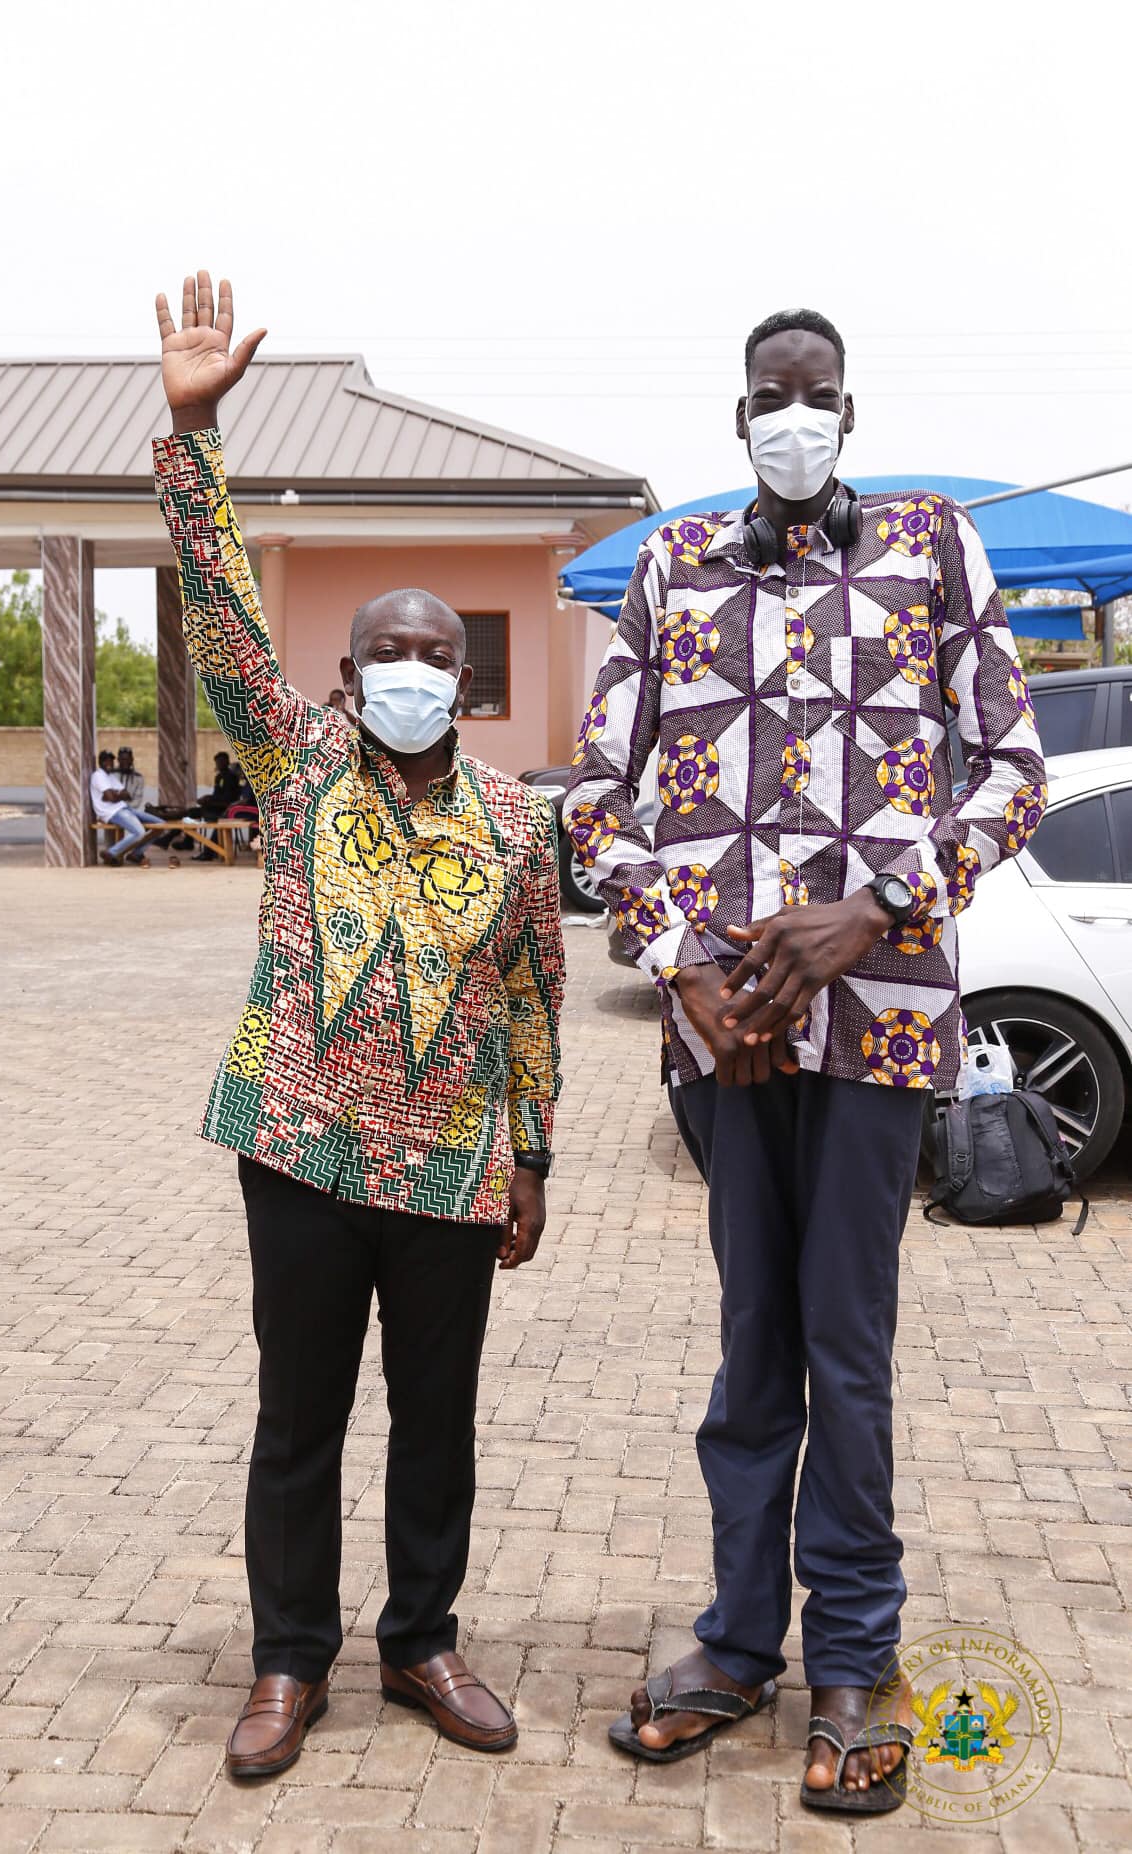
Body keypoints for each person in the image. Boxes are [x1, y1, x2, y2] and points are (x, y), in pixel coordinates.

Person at [566, 308, 1046, 1815]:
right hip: (728, 1035)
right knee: (751, 1342)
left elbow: (1015, 770)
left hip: (881, 1011)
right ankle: (733, 1640)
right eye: (771, 399)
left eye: (817, 396)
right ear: (739, 417)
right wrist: (683, 962)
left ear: (848, 410)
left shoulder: (931, 549)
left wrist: (880, 904)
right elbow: (595, 794)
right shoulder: (670, 568)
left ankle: (854, 1656)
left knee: (849, 1346)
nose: (795, 417)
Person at [153, 271, 564, 1780]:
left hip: (454, 1169)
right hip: (304, 1154)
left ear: (466, 681)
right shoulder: (300, 762)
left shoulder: (519, 826)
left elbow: (530, 992)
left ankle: (424, 1640)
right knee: (299, 1413)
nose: (414, 671)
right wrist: (194, 439)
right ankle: (285, 1660)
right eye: (390, 653)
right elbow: (220, 617)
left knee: (436, 1419)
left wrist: (536, 1156)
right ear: (344, 680)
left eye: (439, 655)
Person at [90, 749, 166, 866]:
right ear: (101, 762)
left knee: (161, 825)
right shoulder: (98, 776)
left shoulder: (110, 776)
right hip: (112, 812)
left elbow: (126, 795)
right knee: (139, 832)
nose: (109, 763)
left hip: (125, 808)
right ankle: (111, 852)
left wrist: (114, 795)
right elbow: (111, 797)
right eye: (106, 761)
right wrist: (115, 795)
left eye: (111, 761)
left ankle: (136, 853)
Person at [189, 751, 244, 858]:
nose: (219, 764)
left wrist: (209, 799)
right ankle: (187, 842)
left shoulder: (231, 777)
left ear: (227, 762)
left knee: (194, 813)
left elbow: (228, 799)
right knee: (190, 813)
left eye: (221, 762)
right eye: (217, 762)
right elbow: (216, 794)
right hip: (216, 806)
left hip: (224, 808)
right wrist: (208, 799)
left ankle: (208, 852)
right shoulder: (219, 777)